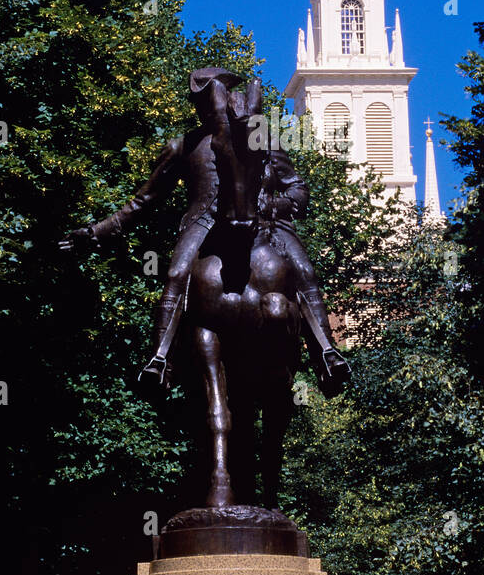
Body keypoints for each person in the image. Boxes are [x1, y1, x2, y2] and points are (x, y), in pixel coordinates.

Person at [60, 67, 349, 398]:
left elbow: (297, 188)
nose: (206, 108)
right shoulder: (183, 146)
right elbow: (143, 202)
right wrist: (95, 233)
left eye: (209, 99)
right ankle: (160, 360)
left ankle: (326, 355)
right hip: (203, 223)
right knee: (176, 273)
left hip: (263, 220)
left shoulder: (262, 137)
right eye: (200, 102)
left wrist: (272, 205)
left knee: (304, 271)